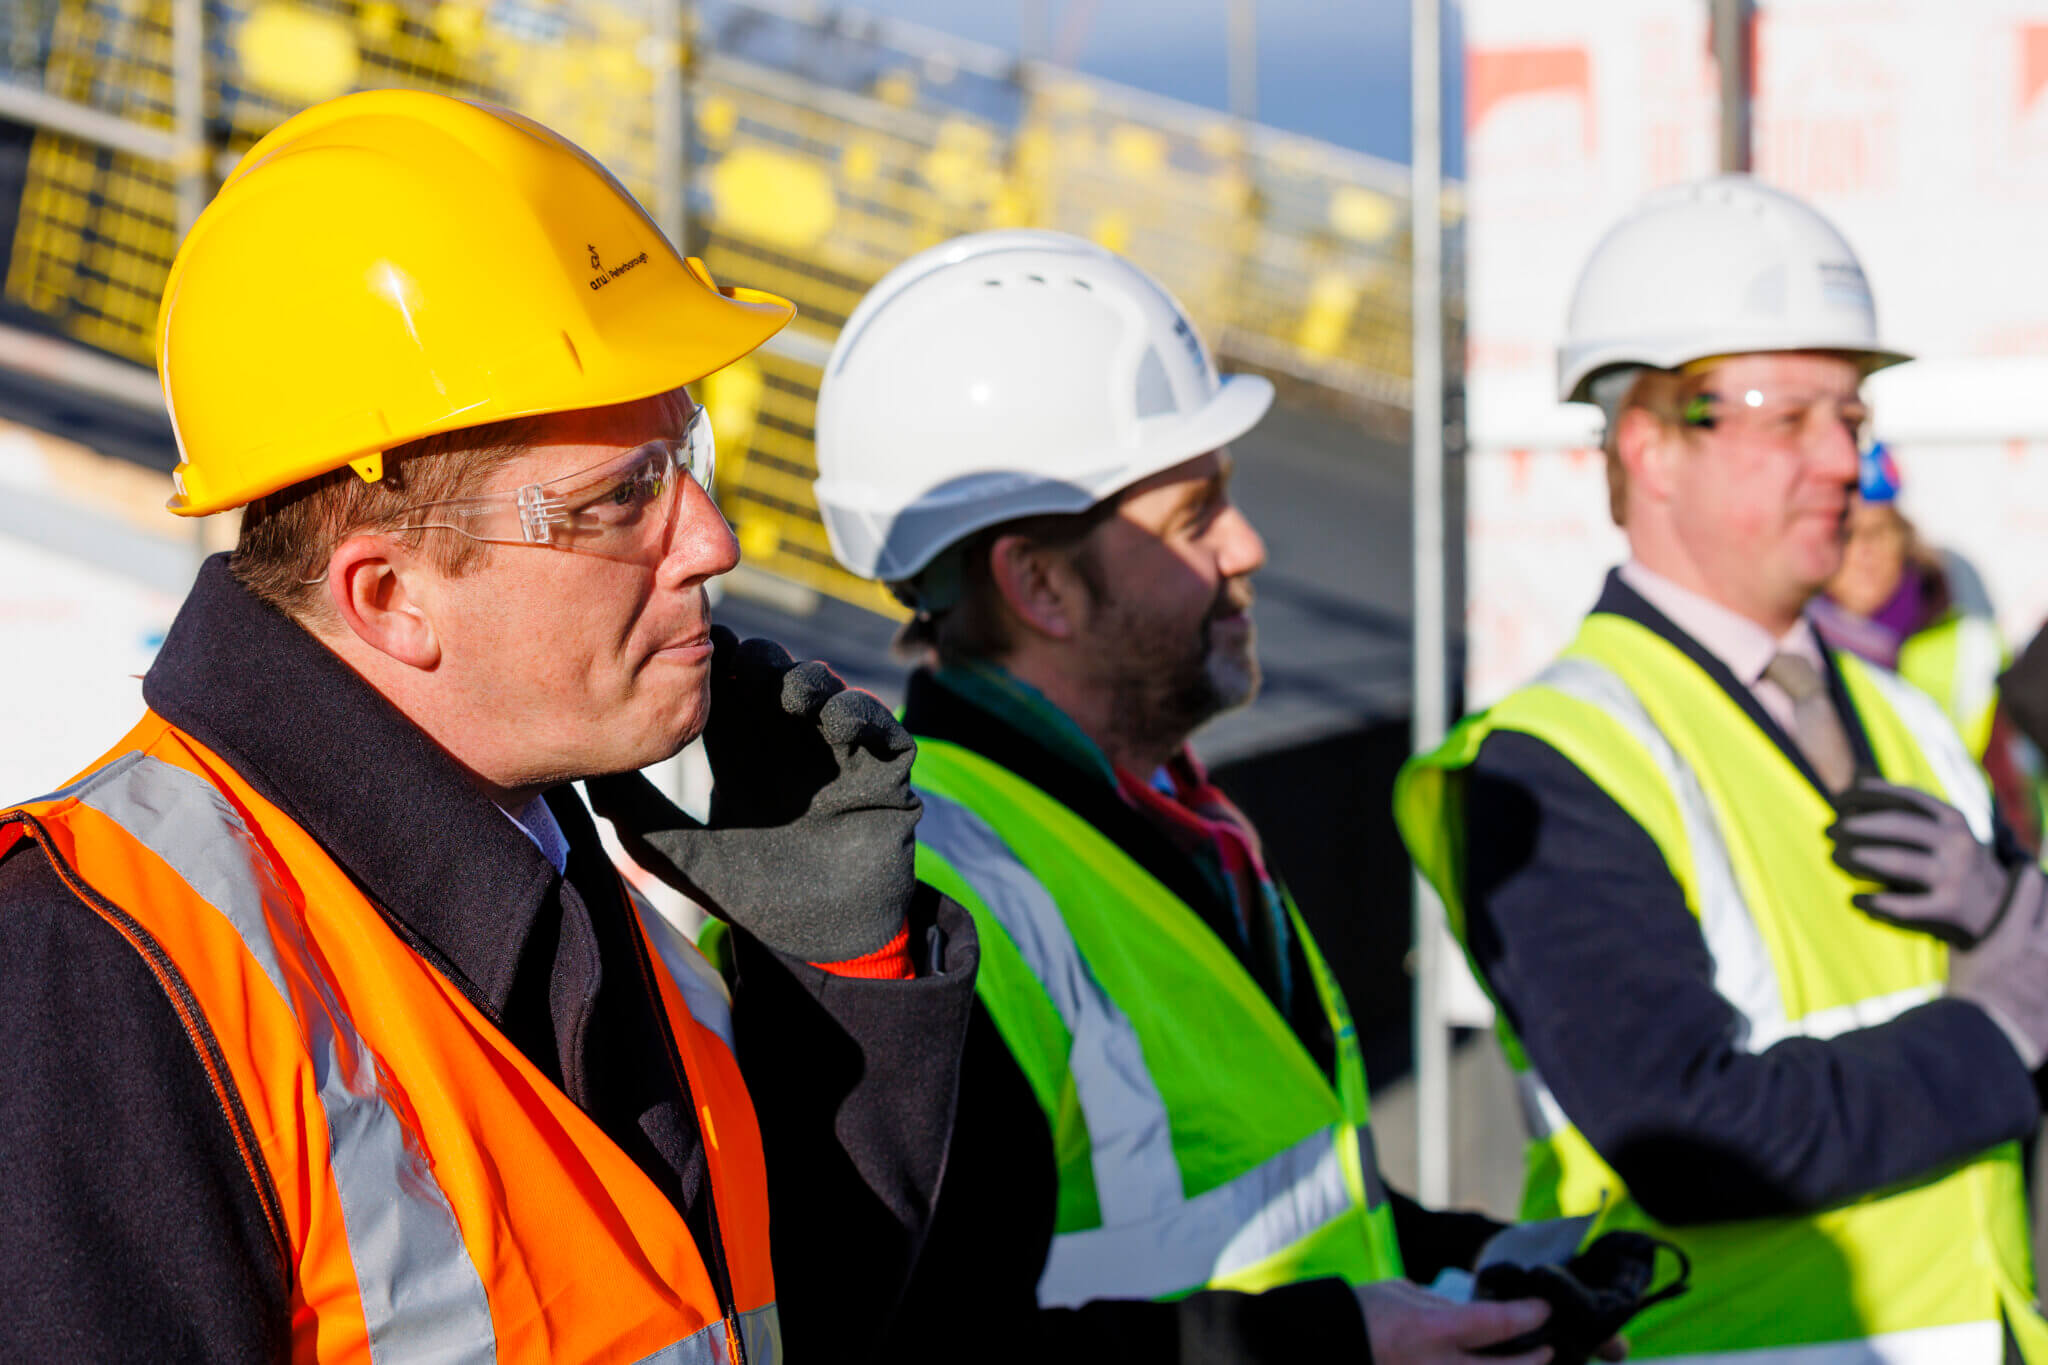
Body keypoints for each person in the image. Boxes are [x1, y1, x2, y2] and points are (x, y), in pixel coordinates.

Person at [0, 89, 977, 1360]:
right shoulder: (86, 975)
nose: (711, 542)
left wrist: (846, 980)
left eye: (686, 463)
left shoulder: (560, 860)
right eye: (621, 499)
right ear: (390, 597)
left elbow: (757, 1325)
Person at [600, 228, 1610, 1364]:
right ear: (1036, 583)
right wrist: (1333, 1342)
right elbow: (929, 1351)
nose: (1246, 546)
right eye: (1193, 516)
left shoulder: (1157, 821)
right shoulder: (926, 902)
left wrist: (1477, 1269)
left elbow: (1287, 1212)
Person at [1395, 175, 2048, 1361]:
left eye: (1848, 416)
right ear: (1644, 444)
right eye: (1784, 415)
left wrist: (2021, 916)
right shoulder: (1552, 759)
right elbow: (1685, 1129)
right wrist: (1995, 1038)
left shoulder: (1907, 715)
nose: (1842, 460)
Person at [1816, 443, 2037, 843]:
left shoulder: (1968, 640)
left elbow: (2006, 785)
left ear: (1904, 537)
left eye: (1879, 532)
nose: (1865, 553)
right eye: (1847, 535)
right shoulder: (1796, 641)